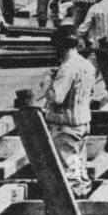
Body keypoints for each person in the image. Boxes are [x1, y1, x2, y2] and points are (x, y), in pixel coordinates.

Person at [36, 25, 95, 197]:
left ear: (61, 46)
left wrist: (47, 81)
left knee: (72, 175)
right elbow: (91, 93)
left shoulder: (67, 68)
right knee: (79, 168)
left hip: (66, 126)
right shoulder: (87, 65)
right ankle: (84, 199)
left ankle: (76, 210)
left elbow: (57, 97)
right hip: (83, 123)